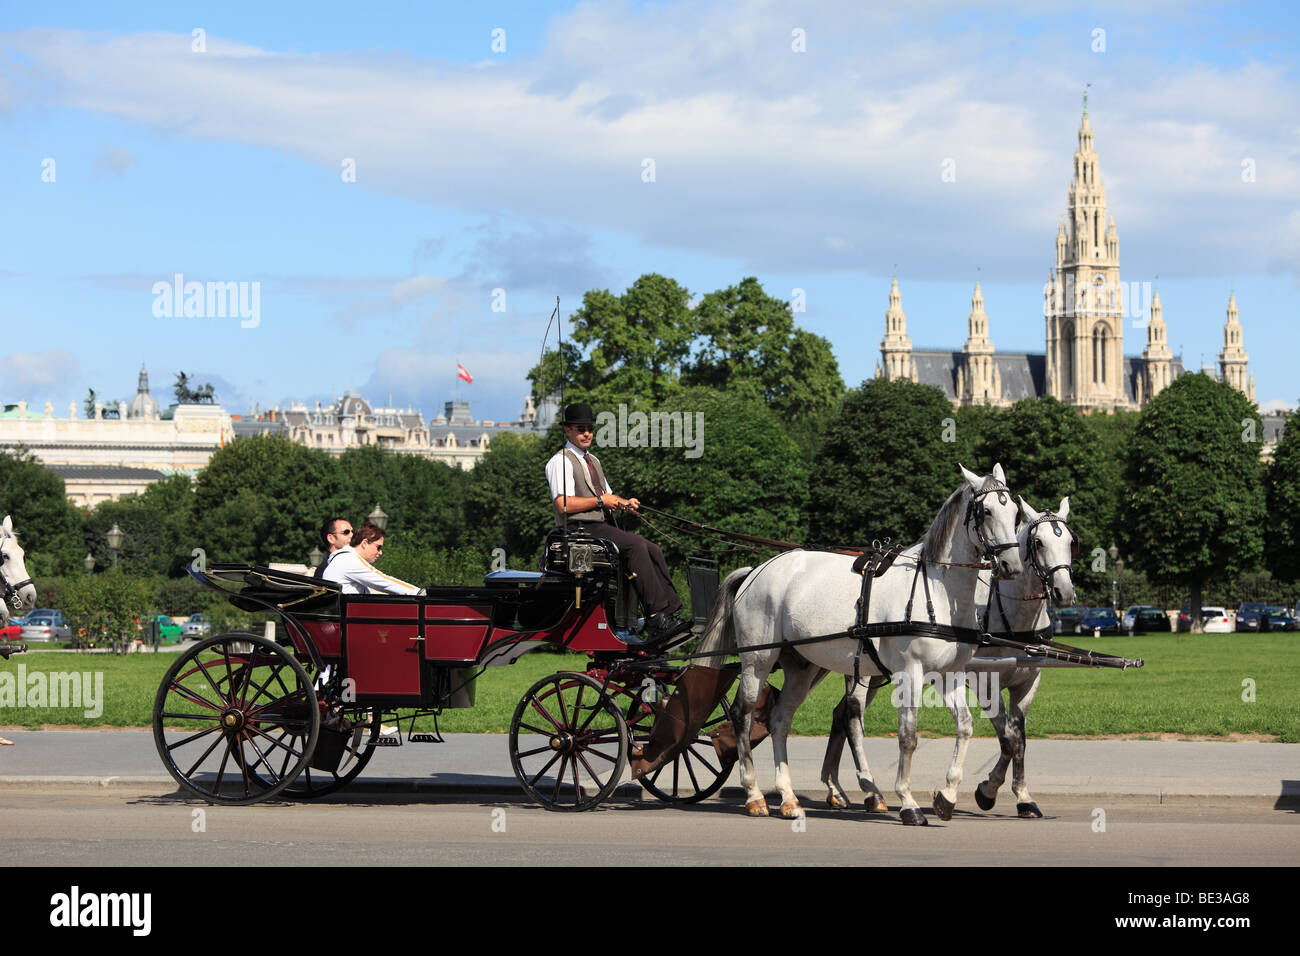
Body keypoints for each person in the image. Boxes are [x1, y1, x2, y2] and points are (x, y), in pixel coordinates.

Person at [544, 402, 690, 645]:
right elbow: (563, 505)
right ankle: (655, 617)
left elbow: (609, 497)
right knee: (635, 547)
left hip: (602, 527)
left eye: (590, 428)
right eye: (581, 429)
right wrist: (602, 500)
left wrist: (625, 503)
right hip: (581, 530)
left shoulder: (594, 461)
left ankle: (668, 612)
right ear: (568, 431)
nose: (587, 433)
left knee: (653, 548)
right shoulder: (560, 461)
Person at [322, 523, 424, 595]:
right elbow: (384, 581)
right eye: (378, 547)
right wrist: (419, 593)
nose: (380, 552)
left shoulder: (343, 558)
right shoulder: (348, 560)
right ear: (365, 543)